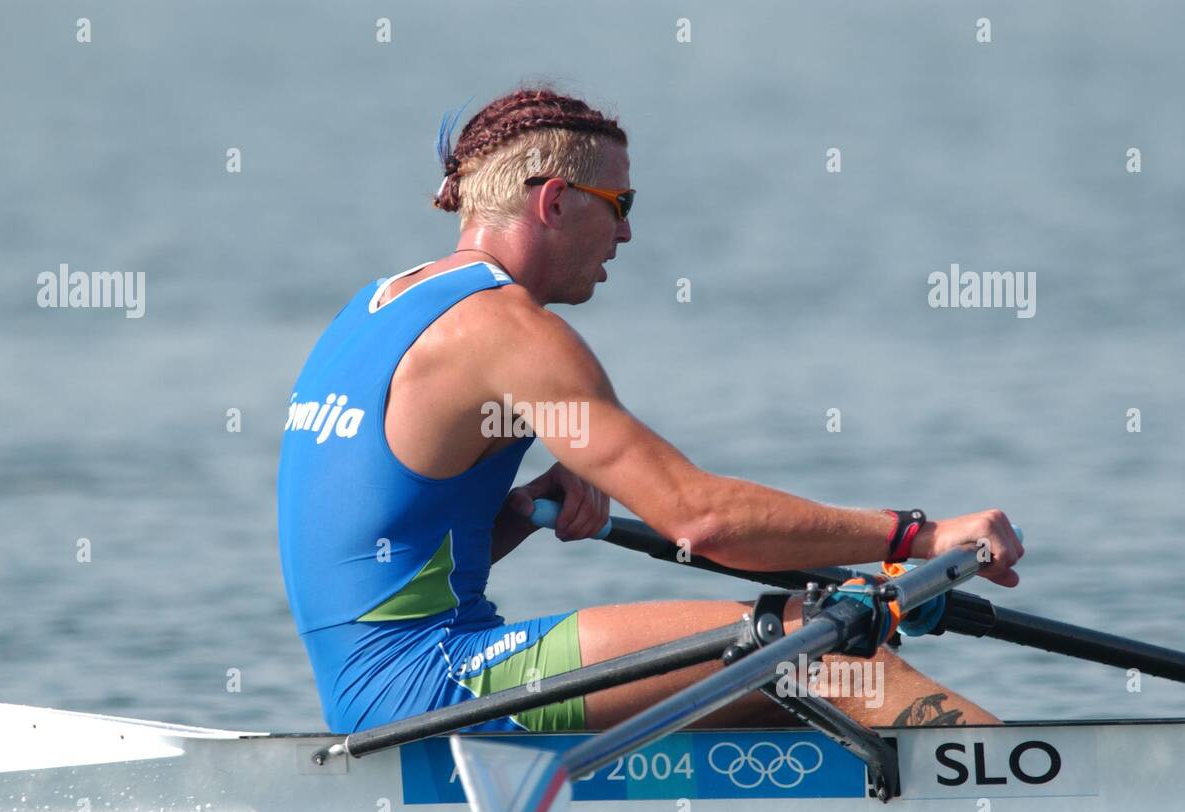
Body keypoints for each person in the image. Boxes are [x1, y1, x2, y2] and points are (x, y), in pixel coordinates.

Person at [277, 87, 1023, 735]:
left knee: (785, 683)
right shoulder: (506, 333)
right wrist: (914, 537)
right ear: (555, 201)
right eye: (620, 205)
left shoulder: (376, 308)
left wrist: (516, 510)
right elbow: (700, 519)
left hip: (370, 690)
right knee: (825, 654)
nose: (628, 233)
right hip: (439, 686)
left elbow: (356, 551)